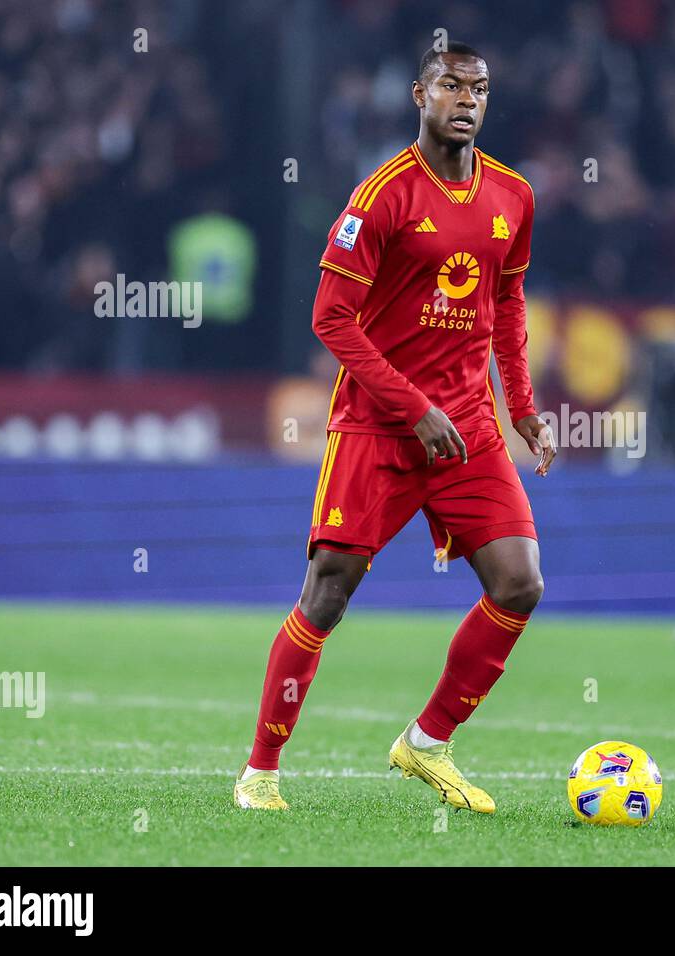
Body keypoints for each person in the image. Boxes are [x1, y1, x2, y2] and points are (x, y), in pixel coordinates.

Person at [234, 41, 556, 814]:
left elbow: (506, 305)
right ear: (420, 93)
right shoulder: (381, 197)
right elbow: (329, 318)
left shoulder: (514, 196)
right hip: (380, 427)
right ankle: (260, 773)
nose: (467, 99)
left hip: (468, 428)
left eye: (479, 88)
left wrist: (520, 409)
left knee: (520, 584)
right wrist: (413, 406)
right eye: (451, 86)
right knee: (327, 593)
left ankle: (428, 742)